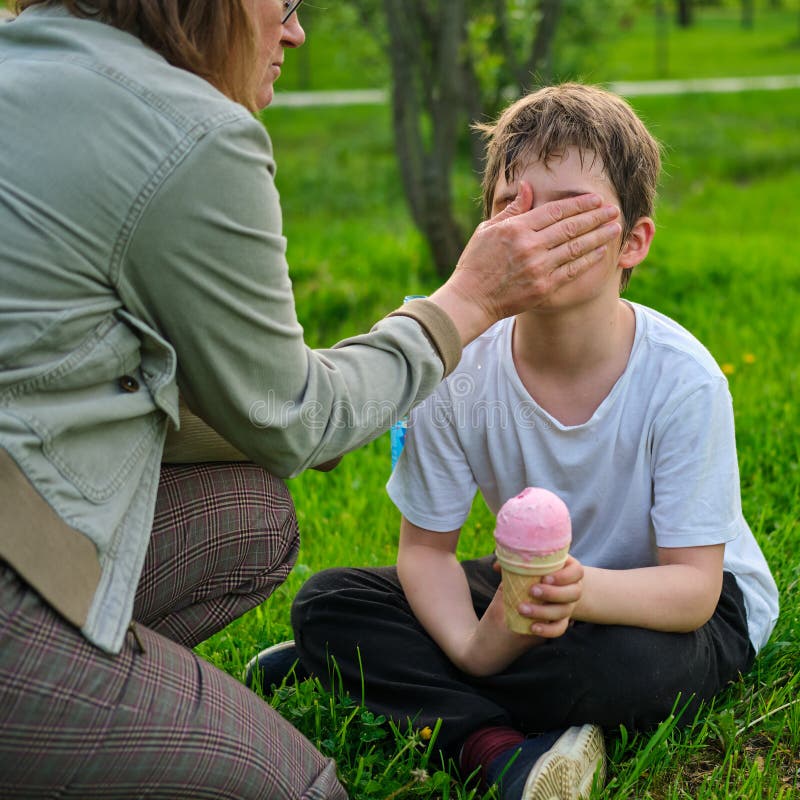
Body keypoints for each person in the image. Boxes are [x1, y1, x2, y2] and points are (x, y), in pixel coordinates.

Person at [0, 1, 627, 796]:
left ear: (633, 240)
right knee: (304, 786)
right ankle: (66, 710)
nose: (295, 31)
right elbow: (295, 419)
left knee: (253, 520)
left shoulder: (24, 65)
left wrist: (318, 414)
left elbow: (121, 377)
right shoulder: (190, 132)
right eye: (286, 4)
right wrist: (466, 302)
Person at [281, 84, 781, 800]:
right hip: (536, 586)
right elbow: (425, 554)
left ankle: (395, 678)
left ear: (632, 241)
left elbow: (693, 590)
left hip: (670, 605)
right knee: (327, 605)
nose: (531, 231)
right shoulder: (455, 368)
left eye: (565, 210)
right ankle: (499, 749)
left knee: (620, 674)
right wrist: (471, 647)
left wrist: (571, 595)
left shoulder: (682, 380)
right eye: (510, 207)